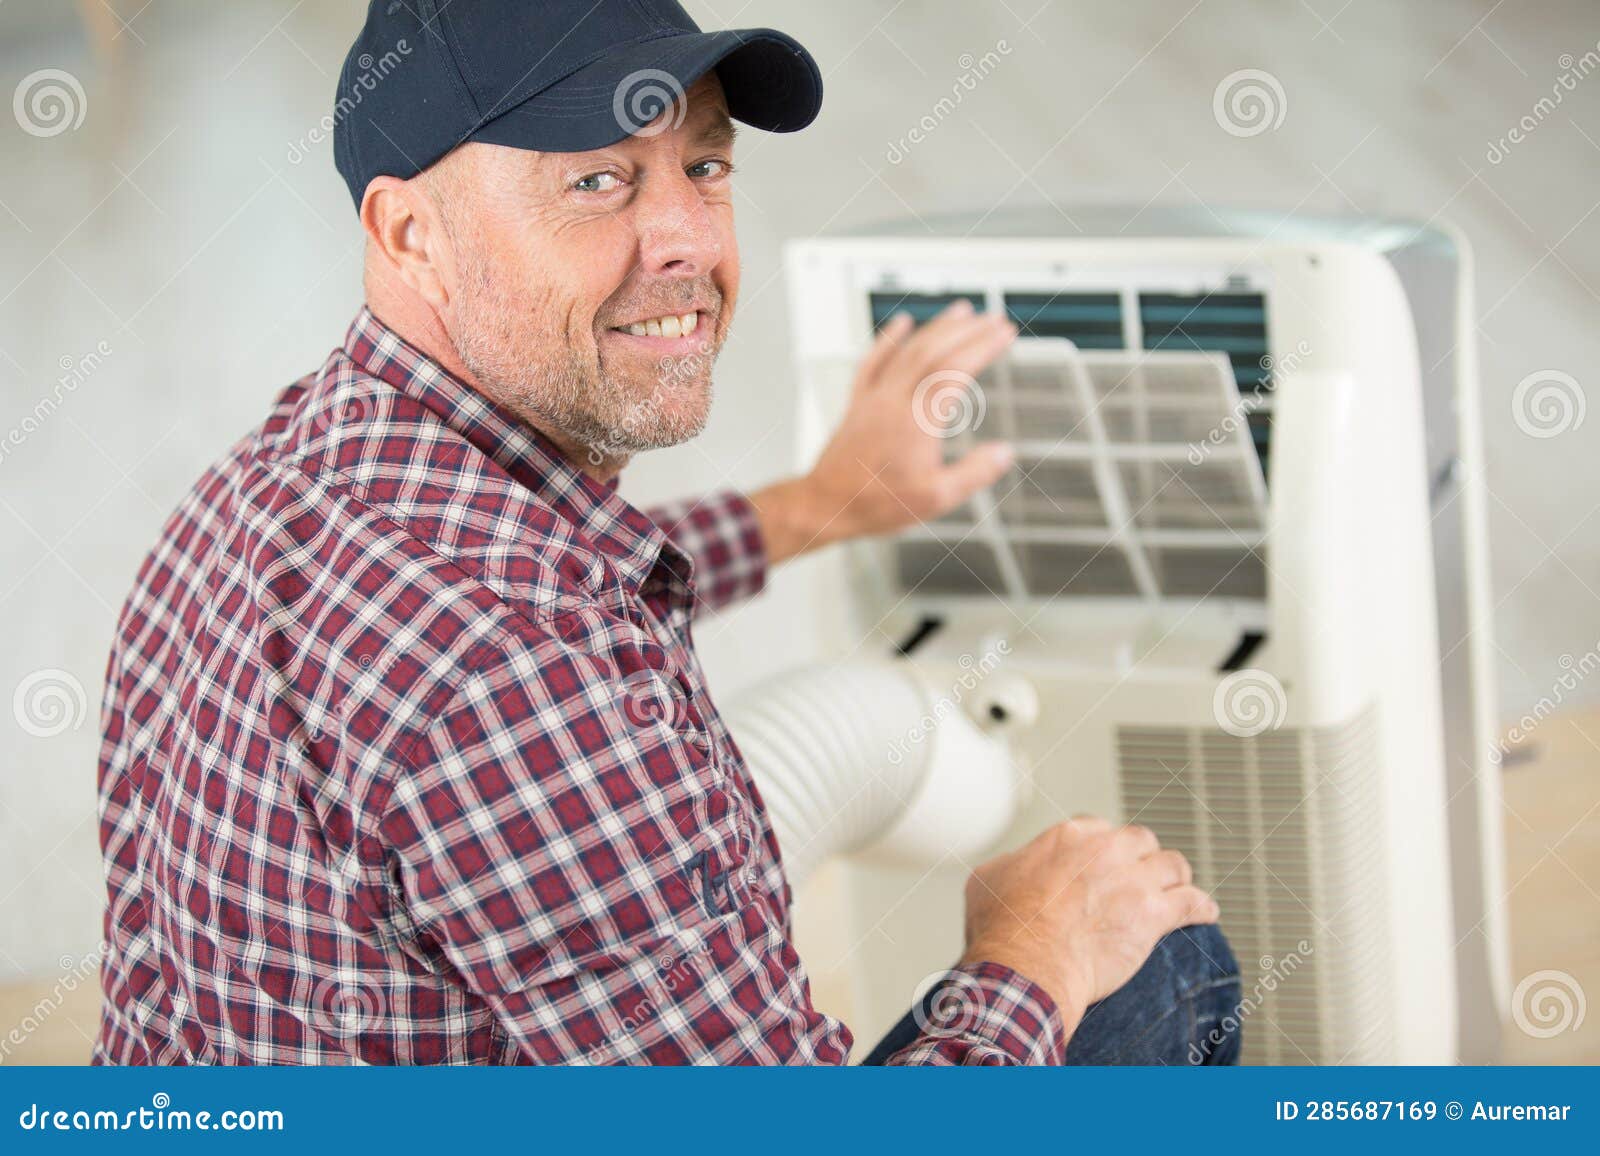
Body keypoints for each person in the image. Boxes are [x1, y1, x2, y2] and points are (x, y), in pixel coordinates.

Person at [95, 0, 1239, 1065]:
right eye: (597, 180)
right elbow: (523, 655)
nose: (689, 239)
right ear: (410, 235)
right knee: (1162, 962)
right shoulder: (519, 679)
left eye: (702, 164)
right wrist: (1030, 951)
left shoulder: (289, 469)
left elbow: (556, 569)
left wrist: (826, 502)